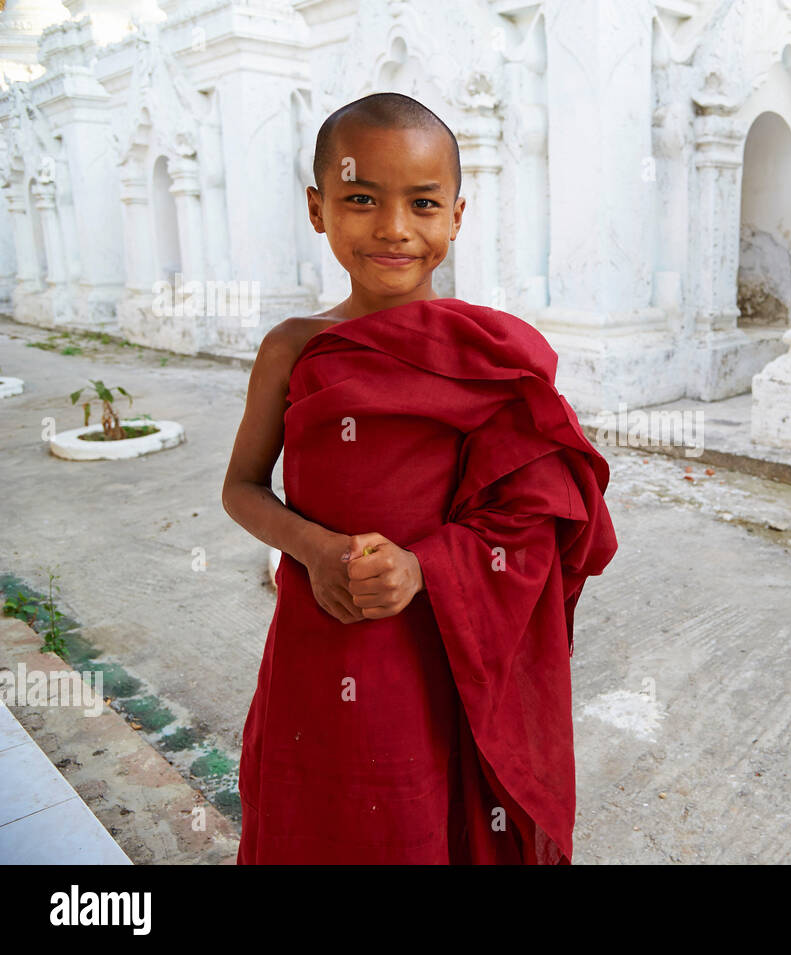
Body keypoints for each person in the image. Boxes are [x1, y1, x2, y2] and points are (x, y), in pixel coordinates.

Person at [221, 91, 618, 864]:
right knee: (316, 812)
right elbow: (241, 487)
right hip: (318, 635)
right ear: (318, 207)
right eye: (361, 199)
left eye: (423, 203)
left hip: (434, 648)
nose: (394, 228)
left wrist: (421, 565)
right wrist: (311, 548)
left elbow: (535, 516)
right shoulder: (293, 348)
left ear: (457, 216)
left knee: (421, 817)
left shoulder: (488, 355)